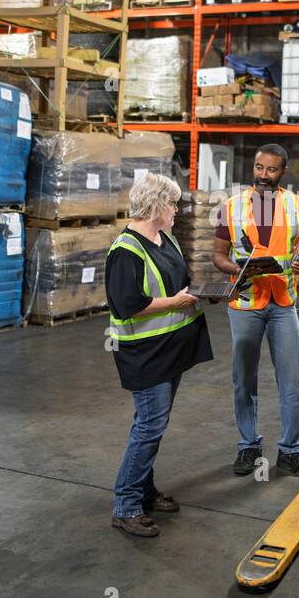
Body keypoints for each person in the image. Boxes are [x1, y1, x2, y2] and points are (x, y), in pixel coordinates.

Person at [105, 173, 213, 538]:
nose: (177, 211)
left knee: (154, 424)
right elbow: (126, 305)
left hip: (172, 348)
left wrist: (203, 291)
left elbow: (176, 281)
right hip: (145, 353)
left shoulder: (164, 238)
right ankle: (126, 504)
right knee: (149, 425)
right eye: (172, 204)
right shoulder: (126, 250)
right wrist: (175, 301)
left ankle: (145, 491)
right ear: (155, 205)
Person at [212, 144, 299, 477]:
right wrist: (238, 270)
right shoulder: (231, 207)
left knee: (292, 380)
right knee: (244, 378)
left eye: (271, 170)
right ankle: (248, 445)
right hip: (245, 303)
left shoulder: (296, 204)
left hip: (283, 302)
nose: (263, 176)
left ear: (283, 171)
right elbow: (218, 254)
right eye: (259, 168)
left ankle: (290, 449)